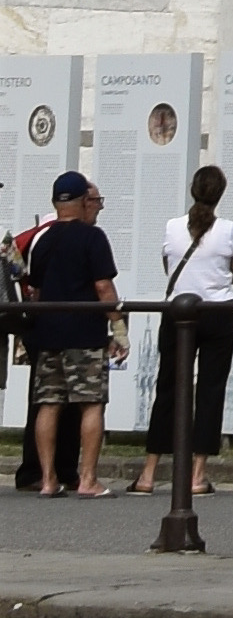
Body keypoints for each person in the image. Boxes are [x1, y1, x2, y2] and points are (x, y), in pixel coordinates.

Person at [139, 164, 233, 497]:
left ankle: (149, 471)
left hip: (177, 311)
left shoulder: (172, 227)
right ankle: (197, 473)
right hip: (217, 312)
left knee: (168, 387)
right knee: (211, 390)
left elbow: (168, 266)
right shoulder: (228, 230)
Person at [20, 172, 116, 498]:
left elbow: (33, 288)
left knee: (48, 404)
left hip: (48, 334)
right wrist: (118, 327)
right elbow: (104, 287)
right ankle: (87, 479)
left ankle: (47, 479)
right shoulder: (93, 238)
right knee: (91, 404)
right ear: (82, 202)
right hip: (85, 333)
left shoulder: (42, 240)